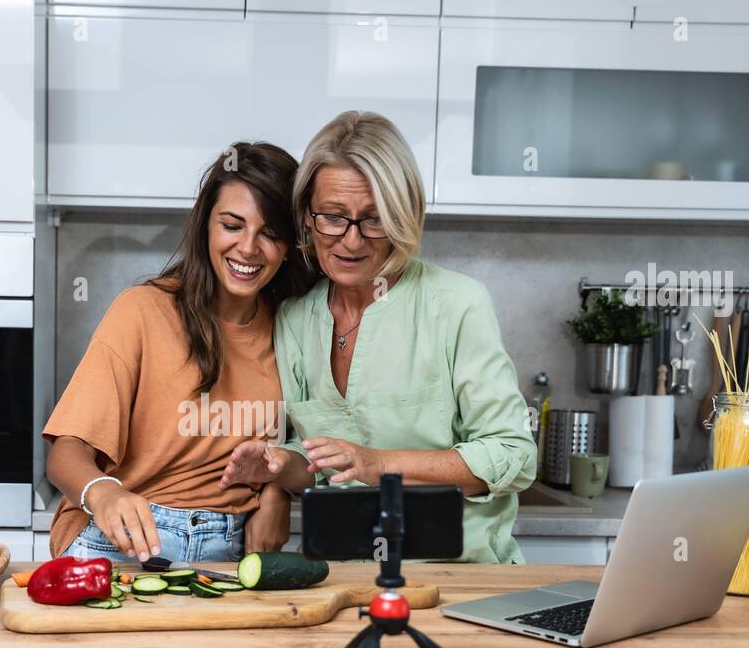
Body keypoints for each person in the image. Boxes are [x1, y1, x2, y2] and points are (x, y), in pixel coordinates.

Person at [218, 111, 537, 563]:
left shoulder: (457, 304)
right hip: (340, 579)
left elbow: (513, 455)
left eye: (374, 219)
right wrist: (279, 467)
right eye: (333, 217)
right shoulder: (295, 317)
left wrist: (378, 464)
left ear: (402, 216)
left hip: (460, 578)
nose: (351, 241)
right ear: (307, 217)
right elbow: (324, 463)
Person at [43, 142, 315, 562]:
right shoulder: (142, 310)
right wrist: (103, 493)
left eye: (271, 233)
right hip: (121, 539)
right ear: (205, 224)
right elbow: (66, 454)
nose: (248, 248)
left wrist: (276, 490)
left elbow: (301, 450)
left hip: (230, 550)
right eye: (232, 225)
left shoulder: (293, 324)